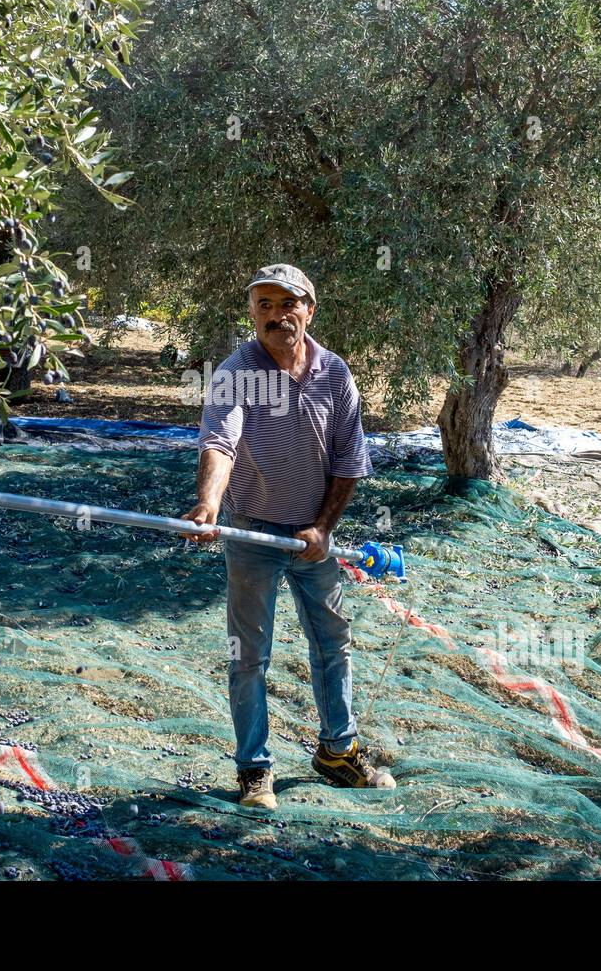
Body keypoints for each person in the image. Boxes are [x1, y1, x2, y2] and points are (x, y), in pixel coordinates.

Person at [181, 263, 396, 811]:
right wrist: (208, 503)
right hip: (252, 528)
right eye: (264, 305)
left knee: (332, 642)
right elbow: (220, 443)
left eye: (287, 303)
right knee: (249, 654)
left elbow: (350, 458)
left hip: (315, 536)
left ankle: (337, 752)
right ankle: (254, 770)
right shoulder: (236, 371)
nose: (277, 314)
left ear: (309, 308)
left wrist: (323, 527)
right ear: (253, 314)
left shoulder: (335, 373)